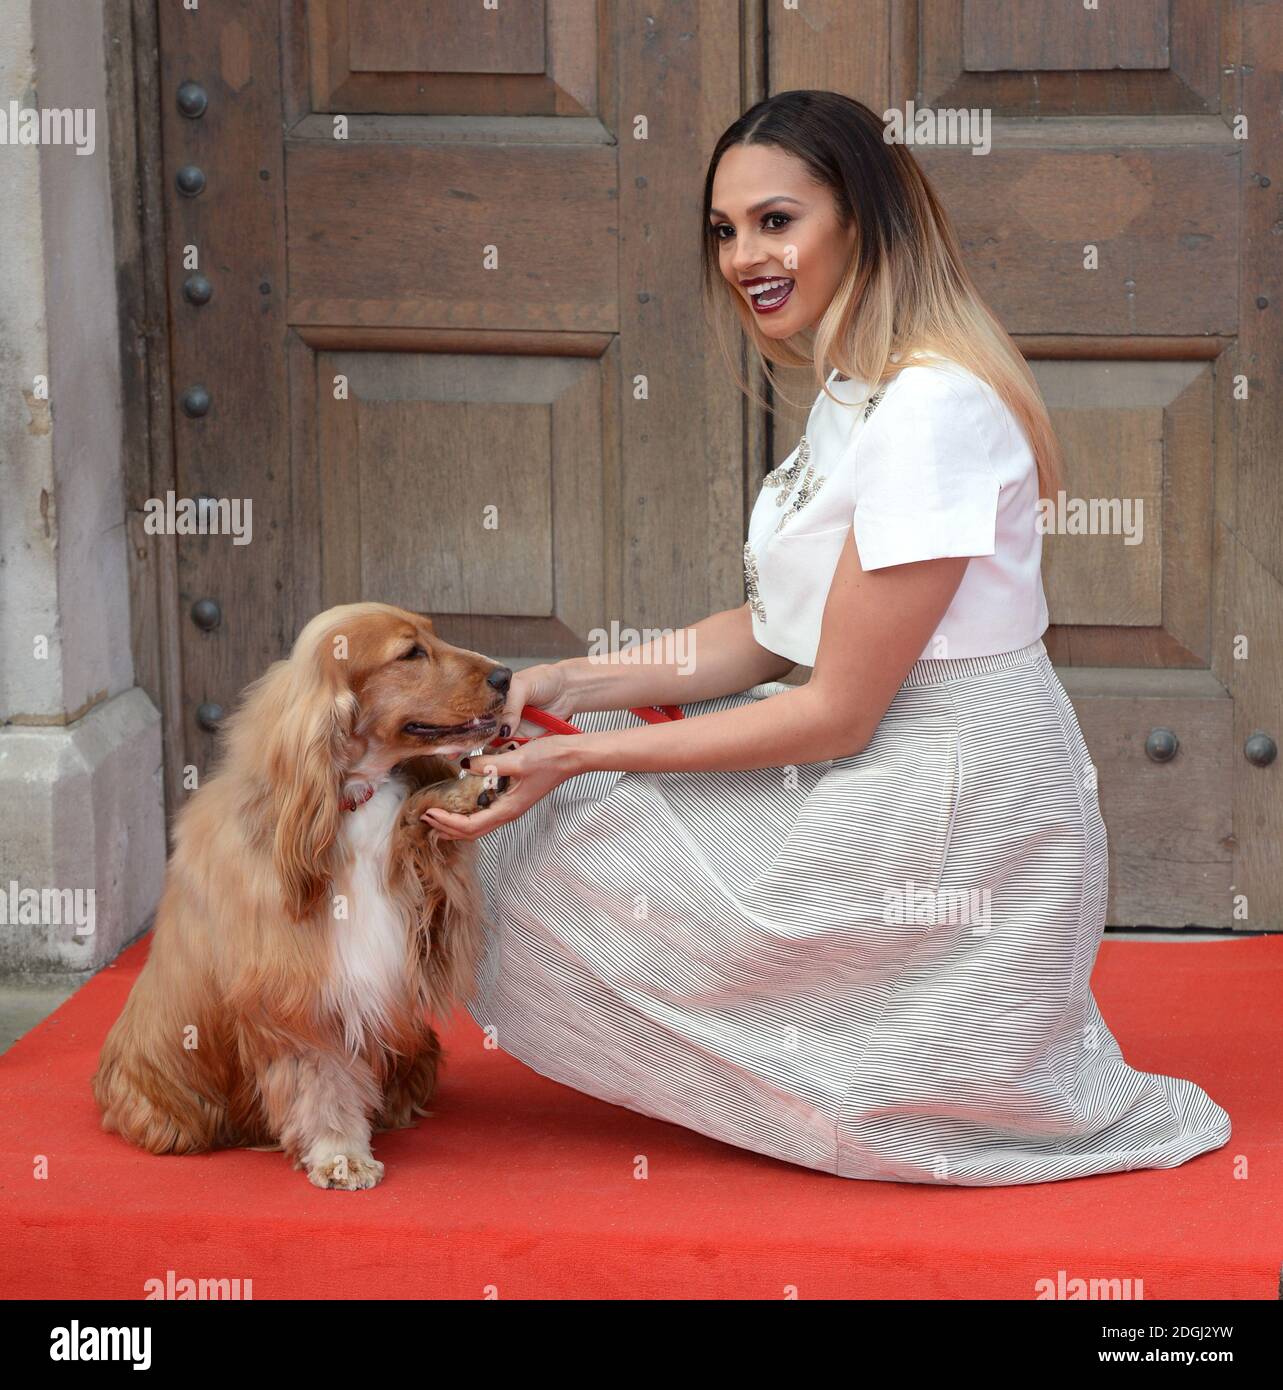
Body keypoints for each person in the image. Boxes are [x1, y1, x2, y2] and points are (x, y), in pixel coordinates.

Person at [422, 90, 1231, 1185]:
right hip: (884, 752)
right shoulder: (855, 389)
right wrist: (562, 680)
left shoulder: (929, 413)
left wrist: (571, 752)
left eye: (775, 220)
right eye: (723, 230)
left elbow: (834, 710)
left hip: (951, 804)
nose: (742, 255)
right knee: (565, 738)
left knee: (560, 798)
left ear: (861, 219)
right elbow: (768, 636)